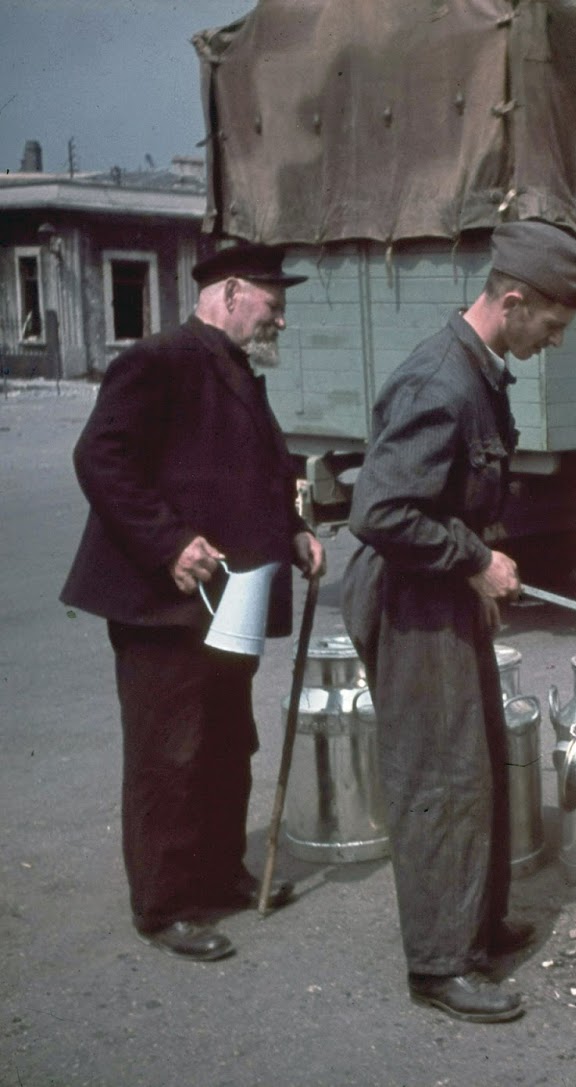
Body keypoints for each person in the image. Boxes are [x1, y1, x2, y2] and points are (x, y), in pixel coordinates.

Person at [341, 220, 576, 1023]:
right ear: (514, 300)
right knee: (440, 776)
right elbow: (380, 510)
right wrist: (473, 561)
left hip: (442, 590)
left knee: (480, 760)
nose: (555, 342)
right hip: (413, 599)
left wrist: (471, 568)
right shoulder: (441, 380)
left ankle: (475, 924)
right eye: (552, 327)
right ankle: (440, 963)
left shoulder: (479, 372)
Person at [60, 243, 326, 962]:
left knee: (225, 743)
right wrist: (169, 542)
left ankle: (216, 872)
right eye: (272, 305)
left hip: (227, 602)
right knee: (167, 753)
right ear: (231, 290)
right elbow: (101, 457)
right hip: (165, 602)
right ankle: (165, 903)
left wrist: (295, 530)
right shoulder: (161, 357)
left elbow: (257, 471)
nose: (279, 319)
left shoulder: (237, 366)